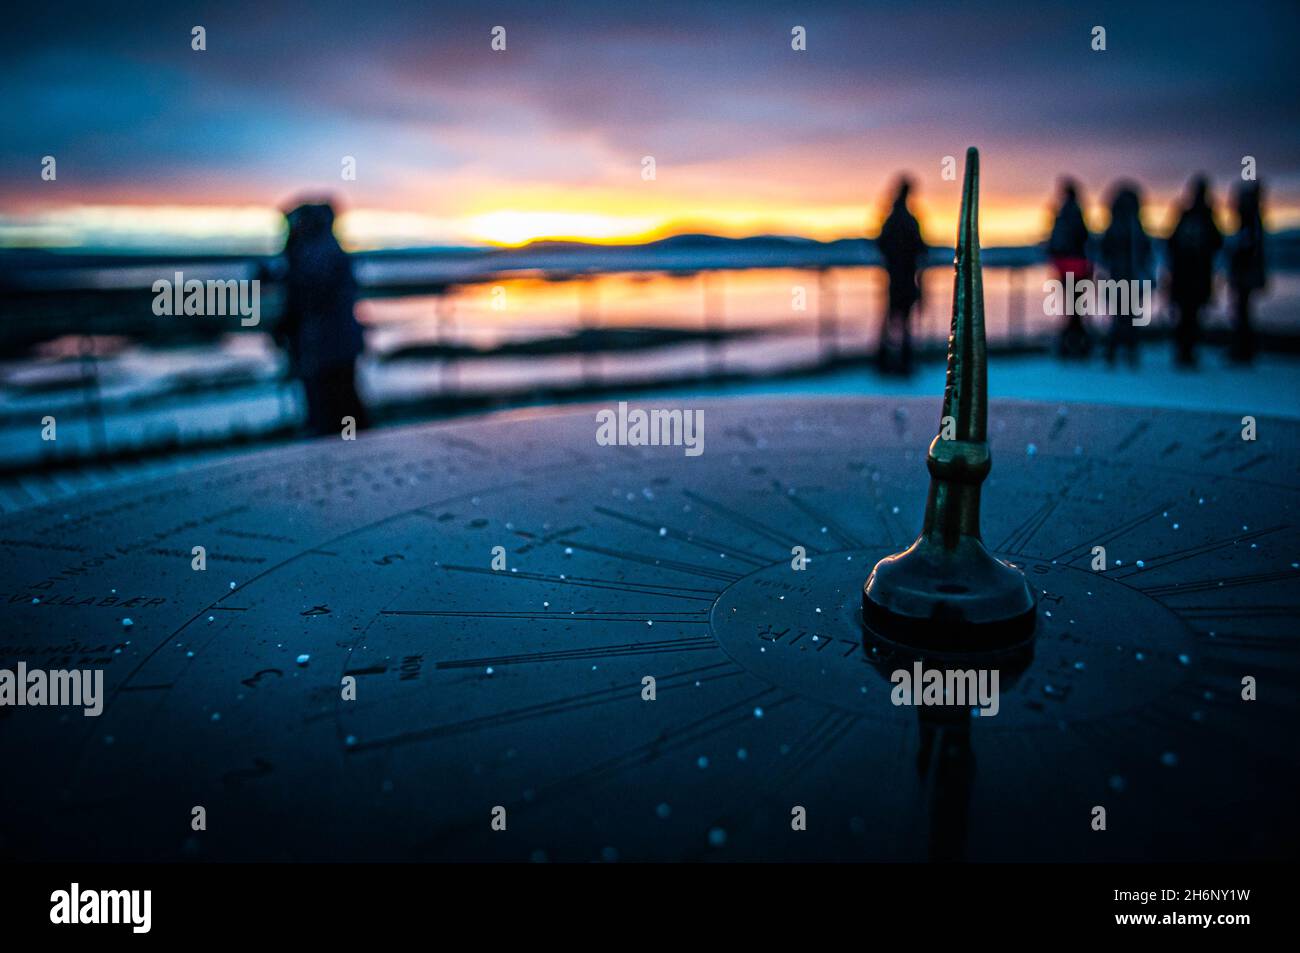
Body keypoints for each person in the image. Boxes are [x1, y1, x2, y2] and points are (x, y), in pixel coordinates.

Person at [275, 200, 368, 436]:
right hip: (336, 343)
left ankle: (337, 449)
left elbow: (310, 294)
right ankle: (355, 447)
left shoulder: (313, 252)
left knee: (330, 402)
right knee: (344, 400)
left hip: (323, 344)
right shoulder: (326, 248)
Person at [1167, 176, 1223, 368]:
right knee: (1190, 315)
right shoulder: (1204, 216)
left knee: (1186, 315)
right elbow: (1218, 243)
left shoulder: (1192, 215)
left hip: (1186, 275)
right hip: (1194, 275)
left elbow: (1171, 244)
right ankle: (1186, 351)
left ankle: (1185, 351)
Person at [876, 177, 927, 375]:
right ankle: (899, 362)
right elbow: (921, 248)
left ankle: (887, 361)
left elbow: (881, 243)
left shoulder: (894, 218)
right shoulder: (906, 220)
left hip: (896, 278)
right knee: (901, 322)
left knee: (892, 320)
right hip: (903, 279)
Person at [1099, 182, 1152, 367]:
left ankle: (1117, 350)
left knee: (1120, 315)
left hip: (1118, 276)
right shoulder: (1134, 226)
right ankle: (1126, 350)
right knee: (1127, 315)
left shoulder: (1116, 226)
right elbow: (1145, 252)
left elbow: (1104, 251)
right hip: (1128, 276)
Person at [1047, 178, 1092, 359]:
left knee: (1072, 308)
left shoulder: (1062, 215)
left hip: (1066, 268)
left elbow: (1056, 245)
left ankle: (1071, 344)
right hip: (1078, 268)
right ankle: (1077, 344)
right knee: (1076, 309)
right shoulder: (1076, 214)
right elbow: (1084, 239)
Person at [1228, 180, 1267, 364]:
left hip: (1245, 276)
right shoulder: (1250, 220)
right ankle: (1243, 348)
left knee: (1243, 312)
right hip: (1244, 276)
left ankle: (1244, 349)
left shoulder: (1250, 222)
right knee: (1242, 311)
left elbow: (1248, 250)